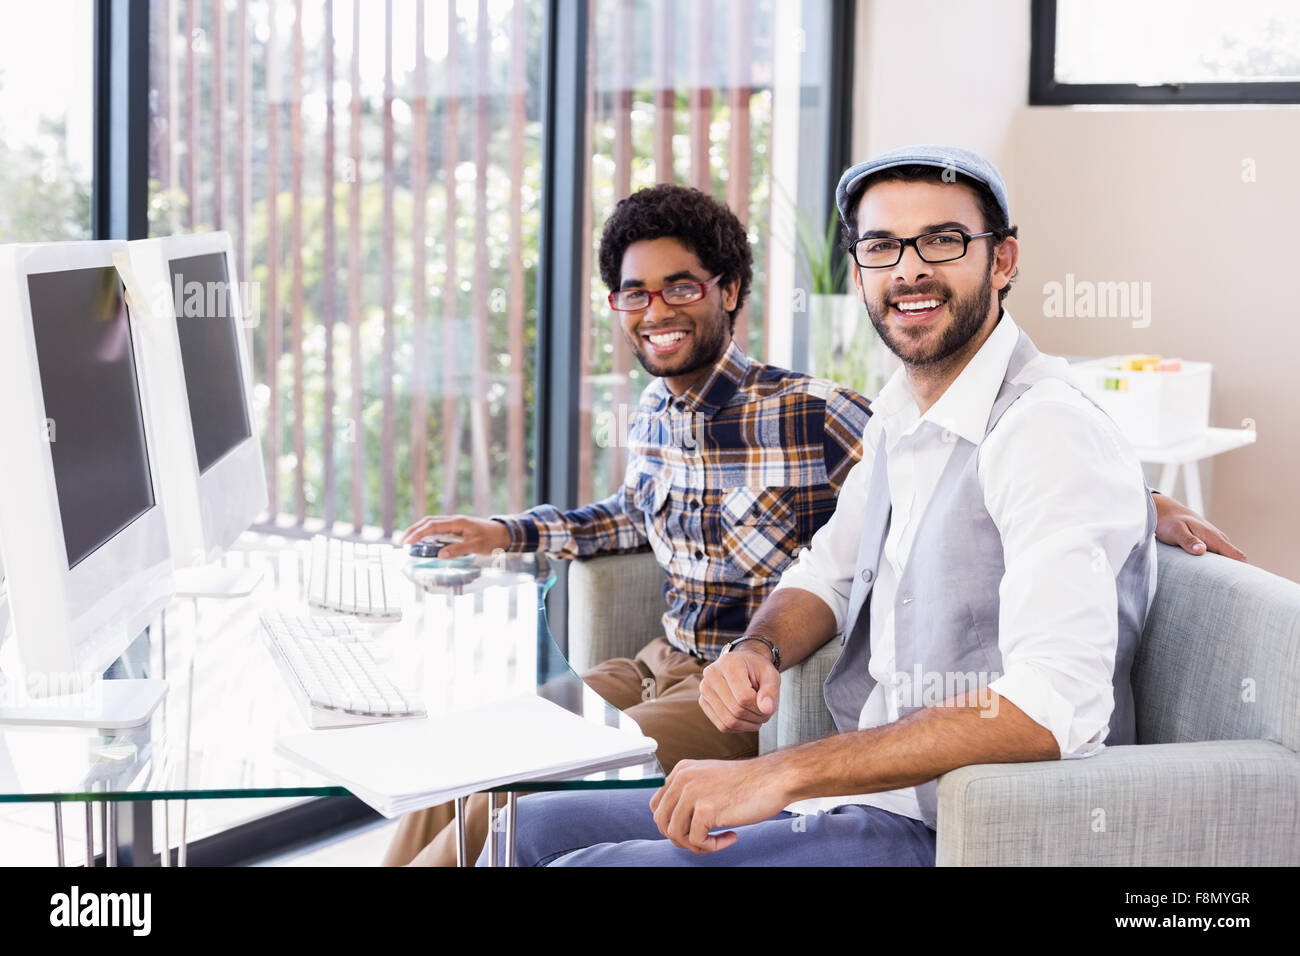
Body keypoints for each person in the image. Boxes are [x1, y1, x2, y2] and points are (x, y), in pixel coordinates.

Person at [389, 177, 1241, 868]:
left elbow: (1057, 702)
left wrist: (1139, 496)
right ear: (861, 270)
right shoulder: (898, 421)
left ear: (1003, 259)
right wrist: (756, 647)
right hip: (812, 757)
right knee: (510, 825)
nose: (908, 268)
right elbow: (821, 573)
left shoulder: (863, 415)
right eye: (880, 247)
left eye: (941, 240)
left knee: (556, 844)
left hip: (937, 820)